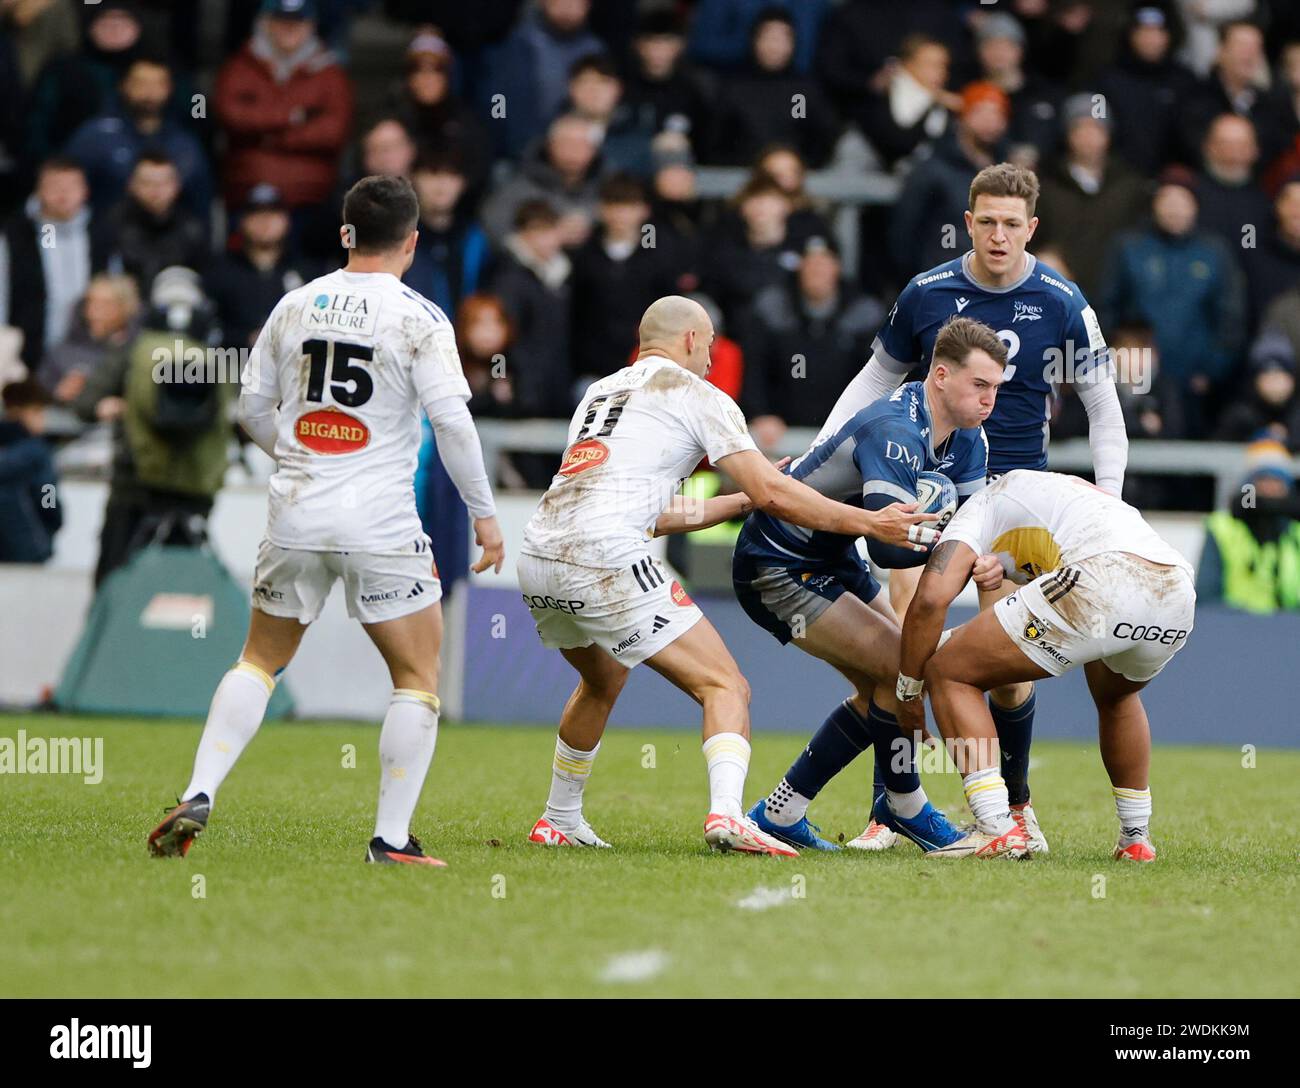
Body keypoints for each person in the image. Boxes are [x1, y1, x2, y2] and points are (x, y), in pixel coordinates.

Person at [148, 175, 506, 867]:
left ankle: (200, 790)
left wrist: (302, 454)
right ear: (412, 240)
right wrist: (486, 516)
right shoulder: (419, 317)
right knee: (416, 677)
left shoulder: (294, 304)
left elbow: (250, 411)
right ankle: (391, 840)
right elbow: (453, 425)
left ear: (345, 233)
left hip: (296, 514)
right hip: (379, 522)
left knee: (259, 660)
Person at [517, 295, 938, 854]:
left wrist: (739, 502)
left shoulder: (600, 393)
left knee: (601, 678)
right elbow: (774, 491)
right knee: (726, 686)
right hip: (604, 556)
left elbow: (660, 515)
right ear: (691, 340)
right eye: (711, 345)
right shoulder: (697, 393)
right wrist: (869, 521)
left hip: (539, 553)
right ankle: (728, 818)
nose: (713, 359)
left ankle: (558, 818)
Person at [812, 162, 1130, 853]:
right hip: (927, 490)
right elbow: (874, 381)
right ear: (967, 220)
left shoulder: (1061, 300)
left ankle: (1016, 808)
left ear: (1032, 228)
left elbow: (1104, 409)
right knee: (903, 648)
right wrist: (822, 458)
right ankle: (890, 804)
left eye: (1011, 223)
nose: (997, 234)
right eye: (985, 220)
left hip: (1017, 502)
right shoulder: (927, 293)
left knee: (1006, 666)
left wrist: (1109, 504)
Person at [739, 317, 1004, 853]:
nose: (989, 400)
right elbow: (888, 546)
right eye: (980, 385)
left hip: (831, 558)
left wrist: (993, 557)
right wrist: (966, 555)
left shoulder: (969, 439)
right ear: (941, 375)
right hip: (777, 561)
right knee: (897, 667)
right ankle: (904, 804)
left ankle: (782, 811)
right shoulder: (895, 430)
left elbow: (977, 525)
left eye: (997, 387)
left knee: (898, 673)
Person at [895, 470, 1196, 861]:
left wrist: (909, 692)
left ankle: (996, 826)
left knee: (948, 670)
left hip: (1104, 576)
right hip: (1174, 589)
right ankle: (1135, 837)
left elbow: (931, 600)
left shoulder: (979, 506)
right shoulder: (1043, 491)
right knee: (1116, 697)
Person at [1099, 165, 1246, 438]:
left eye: (1183, 201)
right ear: (1154, 204)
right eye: (1167, 200)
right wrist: (1114, 362)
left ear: (1195, 206)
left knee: (1187, 463)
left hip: (1194, 385)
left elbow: (1231, 317)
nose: (1175, 209)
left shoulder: (1215, 251)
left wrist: (1210, 370)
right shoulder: (1128, 246)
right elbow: (1107, 308)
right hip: (1134, 383)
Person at [214, 0, 354, 212]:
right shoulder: (240, 65)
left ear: (311, 26)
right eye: (281, 21)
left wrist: (268, 138)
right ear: (264, 23)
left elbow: (333, 132)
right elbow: (229, 114)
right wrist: (291, 118)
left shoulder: (331, 74)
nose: (289, 28)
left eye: (298, 22)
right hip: (246, 192)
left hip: (311, 196)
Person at [62, 54, 211, 220]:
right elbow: (63, 192)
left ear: (169, 88)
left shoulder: (185, 144)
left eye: (158, 84)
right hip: (104, 240)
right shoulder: (94, 136)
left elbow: (201, 208)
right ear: (123, 85)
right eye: (141, 83)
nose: (149, 93)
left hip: (170, 242)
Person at [0, 158, 115, 371]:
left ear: (85, 190)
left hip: (88, 357)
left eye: (71, 187)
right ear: (39, 191)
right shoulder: (20, 235)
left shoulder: (100, 233)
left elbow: (116, 294)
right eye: (54, 187)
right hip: (28, 356)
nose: (63, 195)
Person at [205, 183, 317, 351]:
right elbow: (206, 328)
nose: (265, 221)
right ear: (241, 221)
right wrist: (246, 338)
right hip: (235, 363)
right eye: (256, 213)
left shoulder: (308, 273)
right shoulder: (221, 272)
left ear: (287, 221)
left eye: (273, 213)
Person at [1197, 438, 1300, 613]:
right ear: (1249, 487)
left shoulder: (1295, 532)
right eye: (1263, 481)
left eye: (1277, 481)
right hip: (1234, 628)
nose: (1270, 488)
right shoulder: (1223, 527)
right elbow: (1207, 596)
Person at [101, 151, 208, 294]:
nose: (156, 191)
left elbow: (206, 281)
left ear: (176, 186)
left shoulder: (193, 229)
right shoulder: (112, 225)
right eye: (147, 183)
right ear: (131, 185)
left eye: (163, 183)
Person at [36, 273, 141, 403]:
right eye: (91, 303)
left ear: (126, 308)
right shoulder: (63, 351)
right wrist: (57, 392)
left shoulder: (140, 352)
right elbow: (39, 392)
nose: (95, 313)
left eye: (106, 305)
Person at [0, 378, 61, 563]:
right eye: (38, 412)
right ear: (19, 413)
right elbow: (46, 491)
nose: (43, 419)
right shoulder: (37, 452)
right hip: (29, 545)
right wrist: (54, 520)